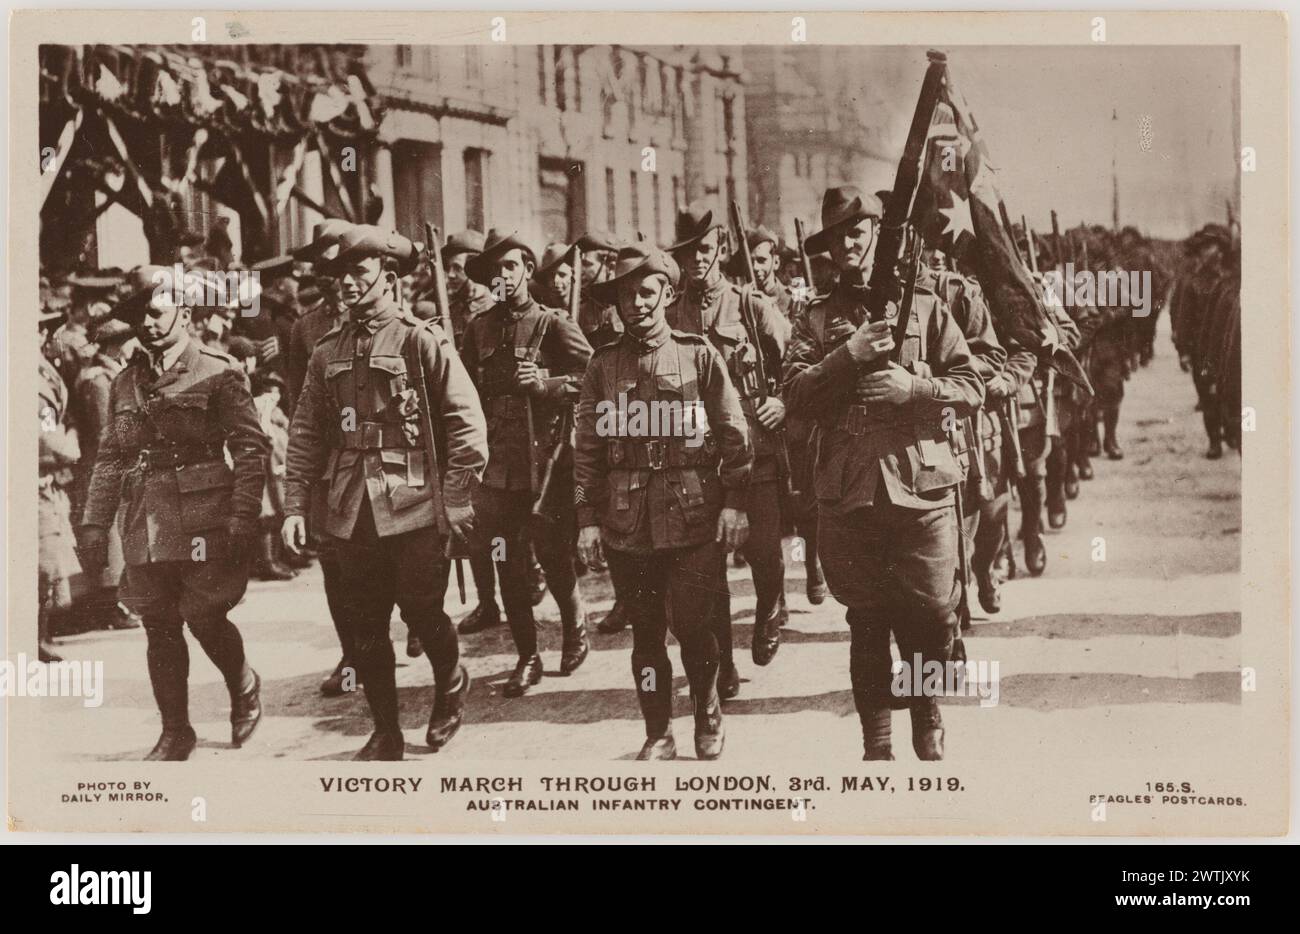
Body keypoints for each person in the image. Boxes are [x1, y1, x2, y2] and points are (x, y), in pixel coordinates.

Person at [784, 186, 984, 761]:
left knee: (927, 613)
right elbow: (794, 395)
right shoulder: (817, 319)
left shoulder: (922, 306)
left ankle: (927, 712)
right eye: (837, 237)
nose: (848, 244)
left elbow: (970, 385)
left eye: (857, 232)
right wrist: (845, 355)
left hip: (921, 485)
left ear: (876, 235)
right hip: (849, 491)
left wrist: (913, 388)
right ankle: (876, 742)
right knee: (866, 619)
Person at [283, 225, 487, 760]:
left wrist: (458, 495)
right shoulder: (326, 351)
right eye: (341, 274)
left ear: (387, 277)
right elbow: (305, 430)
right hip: (350, 507)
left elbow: (466, 423)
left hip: (415, 501)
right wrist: (294, 505)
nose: (347, 283)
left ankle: (450, 680)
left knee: (423, 611)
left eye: (359, 272)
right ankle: (386, 731)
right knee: (365, 625)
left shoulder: (421, 340)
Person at [78, 281, 270, 761]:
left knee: (204, 615)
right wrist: (95, 522)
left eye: (159, 312)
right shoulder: (126, 383)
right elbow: (113, 455)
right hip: (145, 518)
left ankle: (242, 682)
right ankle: (175, 730)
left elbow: (249, 448)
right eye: (141, 314)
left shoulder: (217, 372)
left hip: (205, 514)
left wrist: (245, 514)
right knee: (158, 624)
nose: (148, 322)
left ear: (184, 313)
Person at [575, 244, 752, 759]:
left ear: (667, 294)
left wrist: (735, 502)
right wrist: (587, 518)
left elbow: (734, 434)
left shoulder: (698, 354)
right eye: (627, 296)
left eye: (647, 292)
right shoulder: (602, 365)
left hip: (693, 512)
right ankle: (658, 731)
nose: (637, 304)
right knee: (646, 636)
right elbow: (585, 452)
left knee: (696, 626)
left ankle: (707, 711)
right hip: (628, 521)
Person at [461, 230, 593, 694]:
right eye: (494, 269)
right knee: (506, 562)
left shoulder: (553, 324)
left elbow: (594, 377)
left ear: (527, 270)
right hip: (495, 464)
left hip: (546, 459)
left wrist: (547, 382)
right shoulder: (477, 329)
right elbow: (463, 393)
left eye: (510, 266)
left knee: (554, 553)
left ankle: (575, 623)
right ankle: (527, 655)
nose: (502, 276)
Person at [667, 201, 790, 696]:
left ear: (719, 248)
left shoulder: (750, 306)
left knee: (763, 551)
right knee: (707, 568)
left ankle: (768, 609)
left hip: (752, 451)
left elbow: (792, 367)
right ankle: (724, 665)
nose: (698, 260)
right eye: (688, 253)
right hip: (696, 457)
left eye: (705, 249)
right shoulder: (671, 310)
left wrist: (780, 401)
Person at [73, 318, 141, 630]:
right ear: (115, 345)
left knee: (118, 534)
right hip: (103, 465)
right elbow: (105, 431)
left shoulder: (112, 374)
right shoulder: (99, 381)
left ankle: (119, 602)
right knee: (108, 537)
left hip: (116, 462)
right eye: (128, 340)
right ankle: (109, 605)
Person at [39, 312, 83, 662]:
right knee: (44, 563)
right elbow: (46, 432)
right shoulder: (33, 377)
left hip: (46, 479)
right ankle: (36, 636)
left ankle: (40, 634)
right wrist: (69, 445)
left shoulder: (42, 370)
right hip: (37, 477)